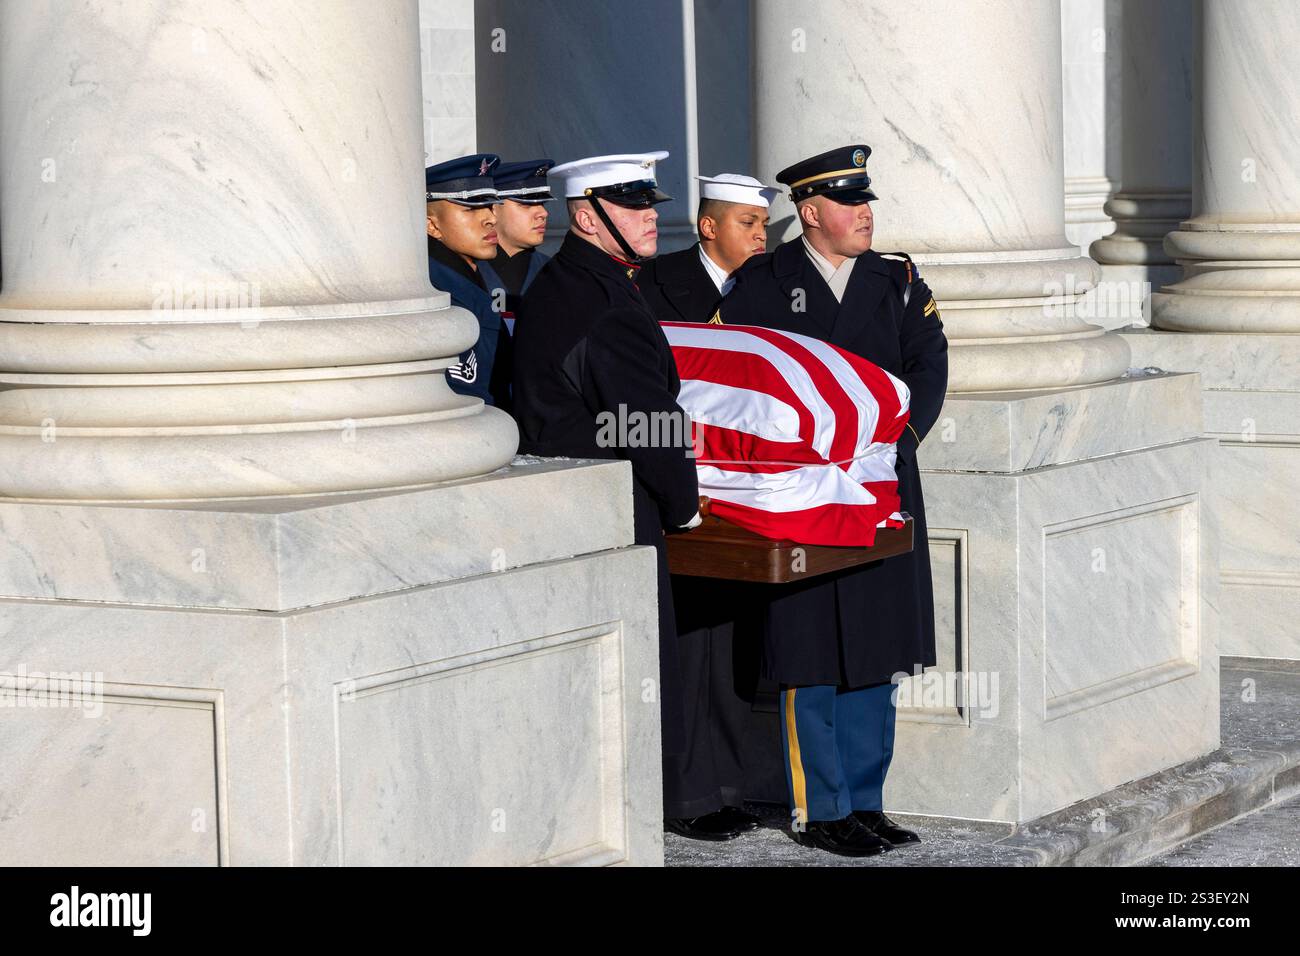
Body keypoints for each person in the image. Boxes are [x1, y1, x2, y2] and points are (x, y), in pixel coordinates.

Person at [718, 144, 949, 857]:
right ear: (811, 213)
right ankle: (821, 812)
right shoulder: (760, 283)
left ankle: (868, 802)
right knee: (810, 650)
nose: (866, 214)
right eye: (851, 204)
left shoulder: (898, 279)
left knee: (875, 650)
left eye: (868, 202)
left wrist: (891, 442)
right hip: (804, 494)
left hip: (882, 484)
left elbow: (928, 364)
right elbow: (745, 382)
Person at [510, 152, 702, 772]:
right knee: (644, 659)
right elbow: (645, 420)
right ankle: (663, 795)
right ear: (587, 218)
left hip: (584, 490)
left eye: (651, 204)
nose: (651, 218)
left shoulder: (584, 282)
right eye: (633, 205)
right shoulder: (604, 299)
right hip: (616, 496)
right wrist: (684, 503)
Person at [637, 174, 779, 841]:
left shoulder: (773, 289)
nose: (761, 236)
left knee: (732, 651)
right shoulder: (654, 285)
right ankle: (687, 797)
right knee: (690, 651)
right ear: (708, 227)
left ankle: (730, 785)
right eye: (748, 224)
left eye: (764, 224)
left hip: (750, 497)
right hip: (684, 493)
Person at [425, 153, 506, 406]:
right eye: (472, 209)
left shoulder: (482, 275)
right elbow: (463, 397)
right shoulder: (437, 291)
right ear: (432, 226)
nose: (491, 218)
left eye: (490, 205)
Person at [476, 159, 555, 412]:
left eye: (541, 203)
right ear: (493, 210)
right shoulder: (461, 272)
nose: (542, 212)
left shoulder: (559, 275)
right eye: (526, 204)